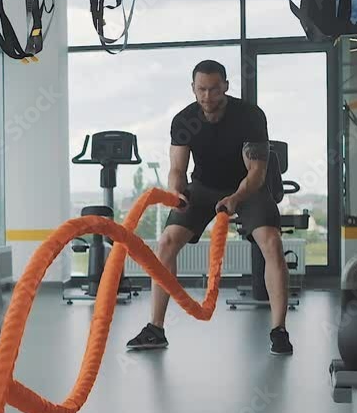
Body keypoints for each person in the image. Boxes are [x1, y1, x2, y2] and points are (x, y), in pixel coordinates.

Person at [126, 60, 294, 356]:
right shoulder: (184, 120)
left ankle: (279, 330)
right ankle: (155, 328)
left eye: (214, 89)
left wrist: (236, 198)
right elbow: (177, 169)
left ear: (225, 87)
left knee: (271, 241)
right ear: (193, 88)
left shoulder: (250, 116)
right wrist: (175, 191)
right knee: (166, 242)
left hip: (247, 187)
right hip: (202, 188)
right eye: (201, 90)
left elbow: (256, 172)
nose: (207, 97)